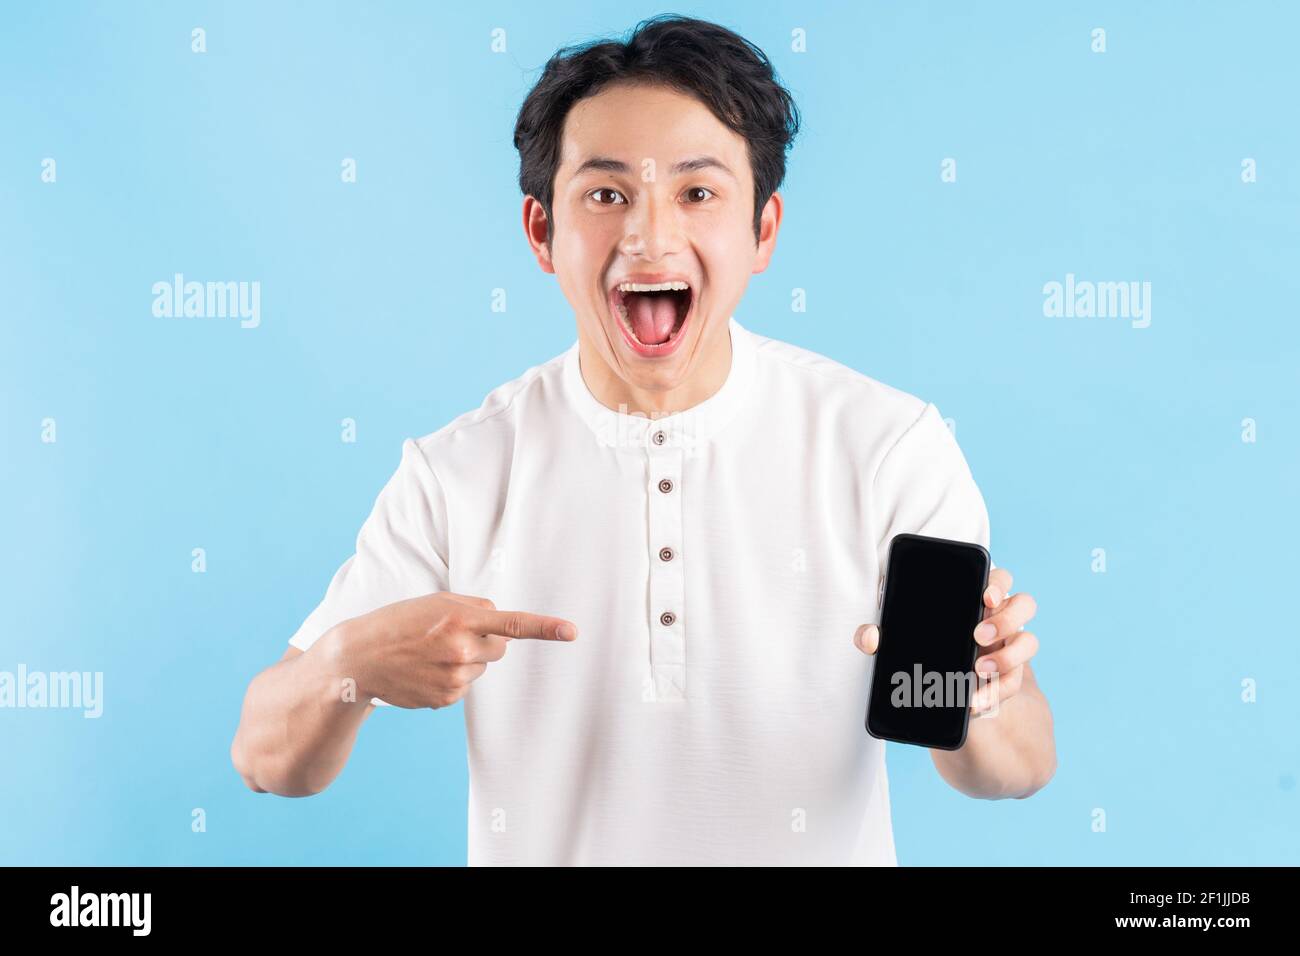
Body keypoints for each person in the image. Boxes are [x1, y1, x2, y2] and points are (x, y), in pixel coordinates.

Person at [230, 14, 1055, 865]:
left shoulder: (886, 446)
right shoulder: (458, 470)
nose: (649, 236)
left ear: (763, 230)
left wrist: (986, 689)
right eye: (606, 193)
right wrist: (352, 663)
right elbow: (265, 759)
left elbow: (1017, 770)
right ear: (542, 233)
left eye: (697, 193)